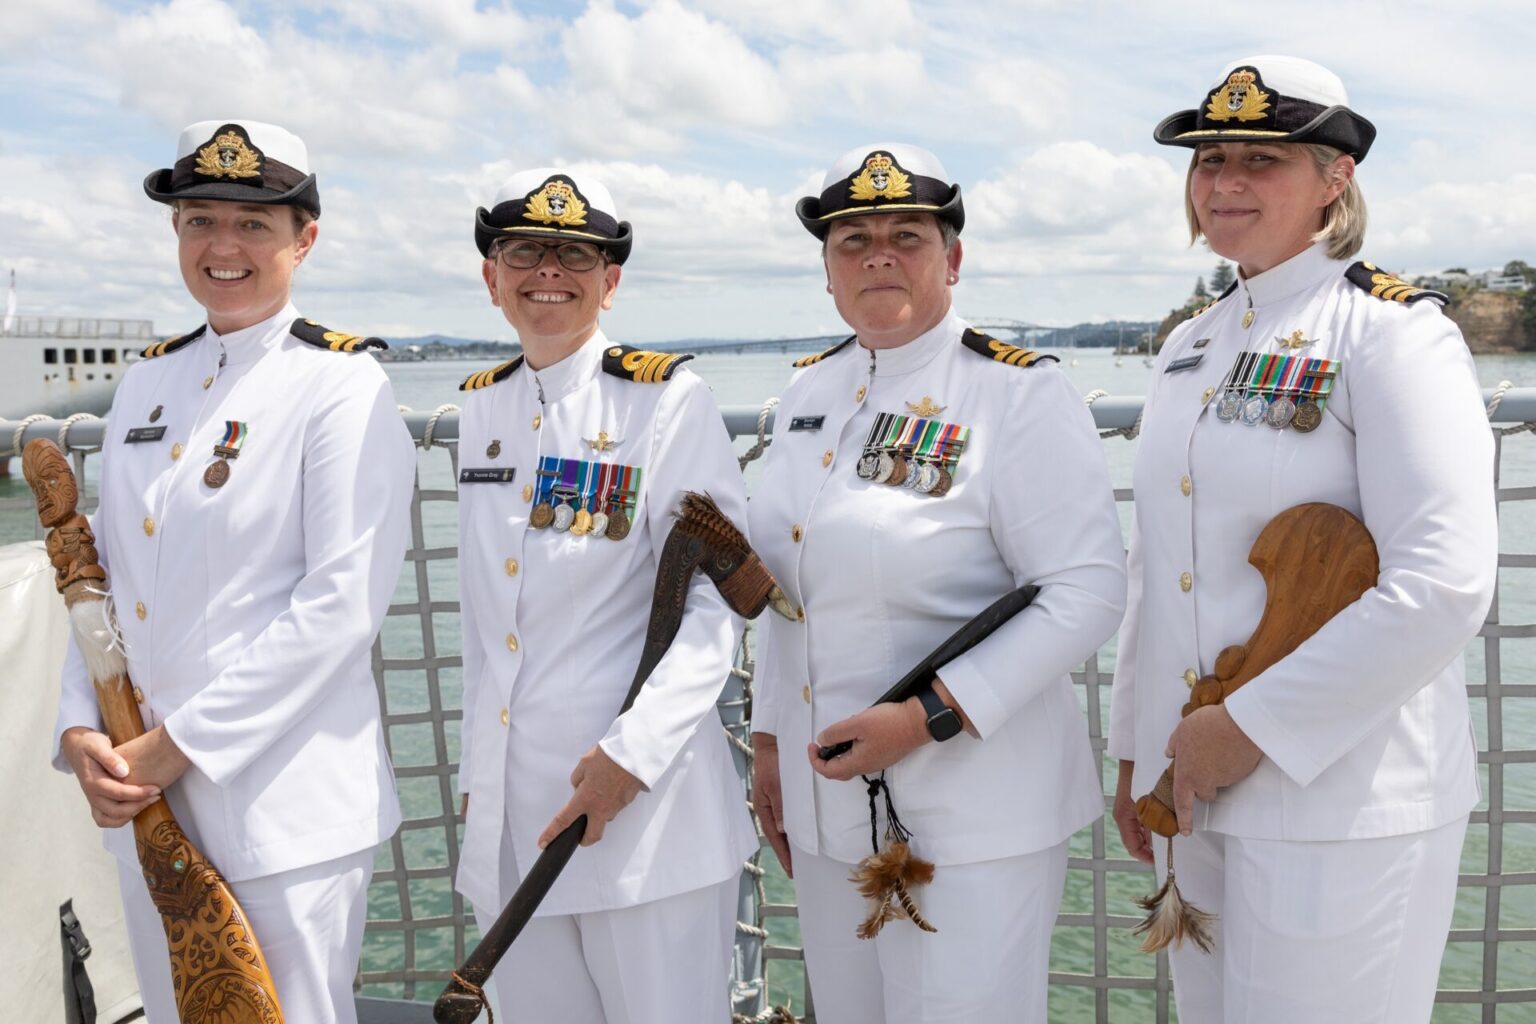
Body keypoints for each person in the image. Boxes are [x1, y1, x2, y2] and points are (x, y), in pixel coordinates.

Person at [1109, 56, 1495, 1023]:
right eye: (1210, 160)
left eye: (1262, 160)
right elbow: (1159, 569)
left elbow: (1444, 580)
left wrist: (1247, 730)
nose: (1227, 182)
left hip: (1344, 800)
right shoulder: (1190, 345)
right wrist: (1133, 752)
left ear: (1336, 179)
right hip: (1192, 783)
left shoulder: (1391, 332)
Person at [747, 143, 1127, 1023]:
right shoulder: (809, 393)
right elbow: (789, 590)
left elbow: (1087, 589)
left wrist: (926, 718)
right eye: (852, 239)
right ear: (828, 274)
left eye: (906, 235)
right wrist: (769, 741)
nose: (878, 252)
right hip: (826, 803)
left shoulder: (1017, 394)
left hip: (973, 814)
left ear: (951, 259)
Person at [50, 119, 415, 1021]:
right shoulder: (146, 384)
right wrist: (78, 731)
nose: (223, 245)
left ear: (305, 240)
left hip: (281, 812)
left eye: (254, 223)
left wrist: (172, 749)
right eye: (199, 218)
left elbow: (339, 607)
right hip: (146, 799)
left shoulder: (341, 385)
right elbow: (103, 580)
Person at [453, 168, 757, 1022]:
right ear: (492, 277)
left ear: (609, 282)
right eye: (524, 250)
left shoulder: (665, 401)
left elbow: (715, 604)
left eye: (576, 254)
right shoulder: (483, 409)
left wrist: (634, 757)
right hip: (520, 823)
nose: (548, 268)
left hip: (643, 818)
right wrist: (484, 773)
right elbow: (490, 628)